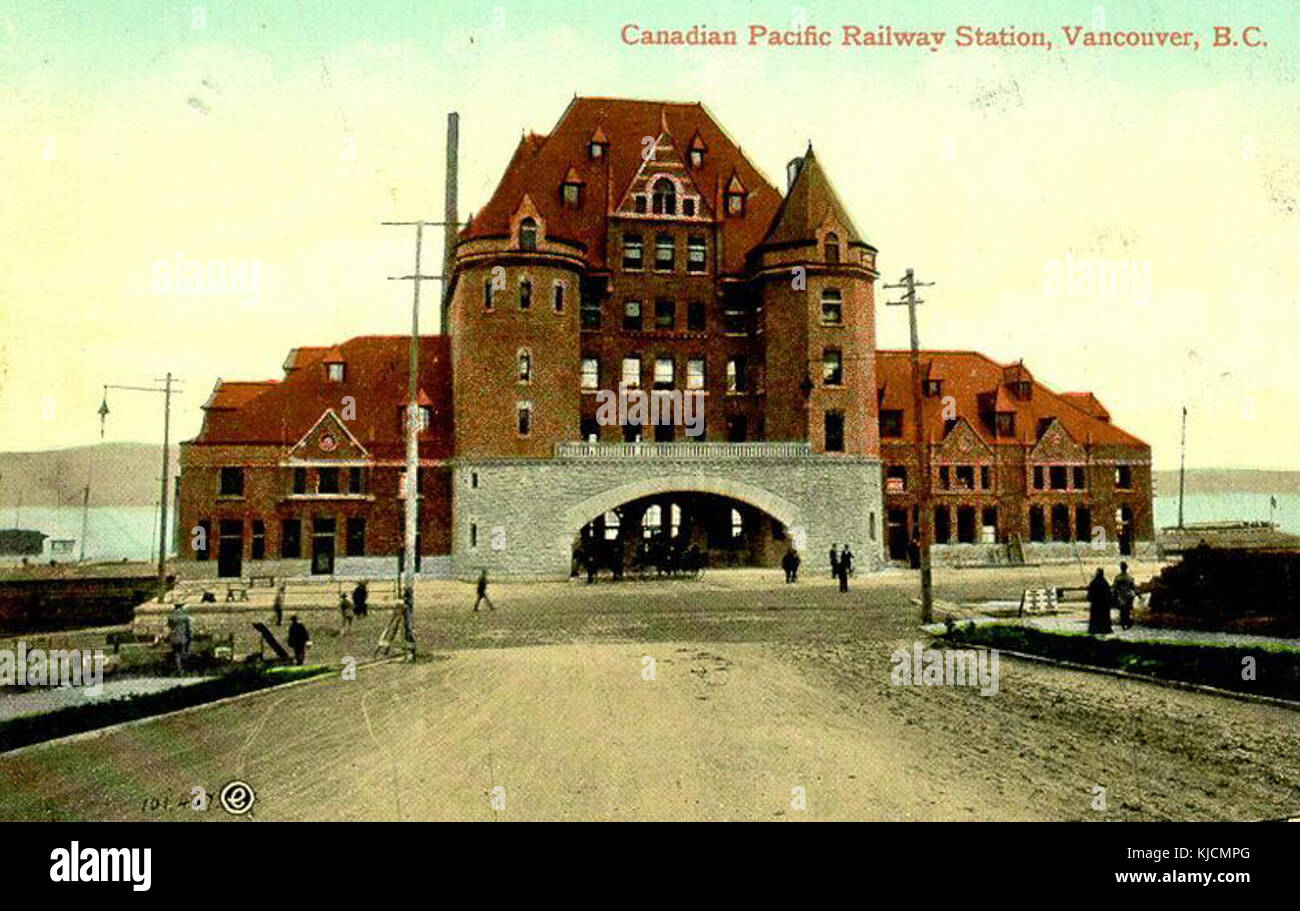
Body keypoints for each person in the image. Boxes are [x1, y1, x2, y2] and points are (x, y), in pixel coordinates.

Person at [167, 603, 192, 673]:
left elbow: (169, 626)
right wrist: (189, 636)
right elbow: (188, 628)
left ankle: (179, 668)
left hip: (174, 636)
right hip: (183, 636)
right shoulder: (185, 616)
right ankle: (184, 669)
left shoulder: (171, 616)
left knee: (176, 653)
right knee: (184, 652)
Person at [1087, 568, 1113, 635]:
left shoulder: (1093, 583)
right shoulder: (1105, 583)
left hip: (1095, 606)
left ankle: (1095, 629)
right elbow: (1109, 595)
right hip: (1104, 606)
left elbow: (1089, 596)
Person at [1113, 562, 1137, 630]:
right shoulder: (1130, 578)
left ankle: (1123, 624)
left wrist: (1113, 595)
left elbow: (1114, 588)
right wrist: (1138, 594)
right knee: (1128, 611)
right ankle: (1128, 623)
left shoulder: (1118, 578)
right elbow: (1134, 588)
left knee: (1122, 611)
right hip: (1128, 597)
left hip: (1121, 597)